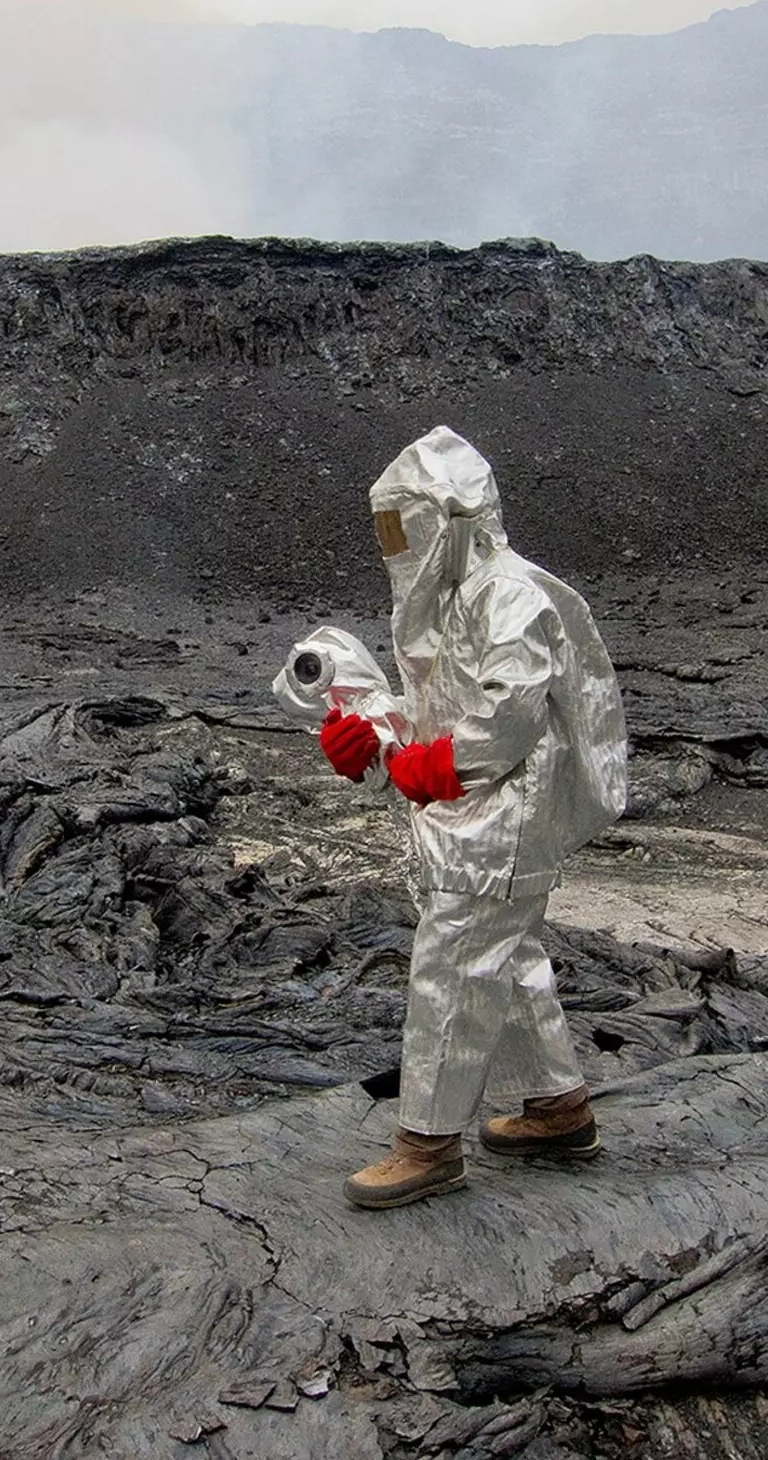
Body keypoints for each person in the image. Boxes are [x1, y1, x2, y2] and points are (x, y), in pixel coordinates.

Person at [320, 427, 627, 1210]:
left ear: (452, 518)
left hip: (502, 819)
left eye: (407, 524)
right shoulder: (445, 601)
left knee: (452, 965)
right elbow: (438, 714)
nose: (399, 543)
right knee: (508, 958)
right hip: (465, 818)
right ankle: (559, 1109)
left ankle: (427, 1144)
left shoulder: (510, 596)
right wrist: (374, 732)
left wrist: (439, 765)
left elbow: (510, 714)